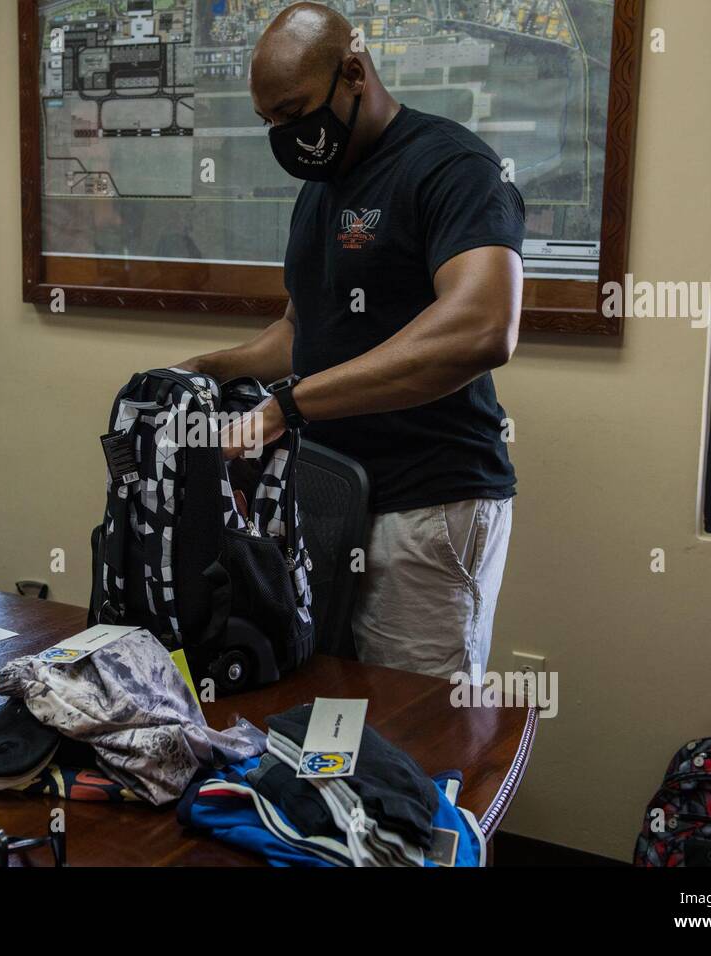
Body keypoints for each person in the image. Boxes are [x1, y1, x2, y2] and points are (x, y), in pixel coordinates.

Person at [180, 2, 525, 683]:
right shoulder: (323, 188)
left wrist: (288, 408)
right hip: (334, 497)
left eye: (295, 111)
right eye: (270, 122)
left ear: (355, 73)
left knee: (413, 732)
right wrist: (203, 368)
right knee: (333, 710)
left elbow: (483, 327)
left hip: (429, 506)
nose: (286, 134)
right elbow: (302, 333)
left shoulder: (452, 166)